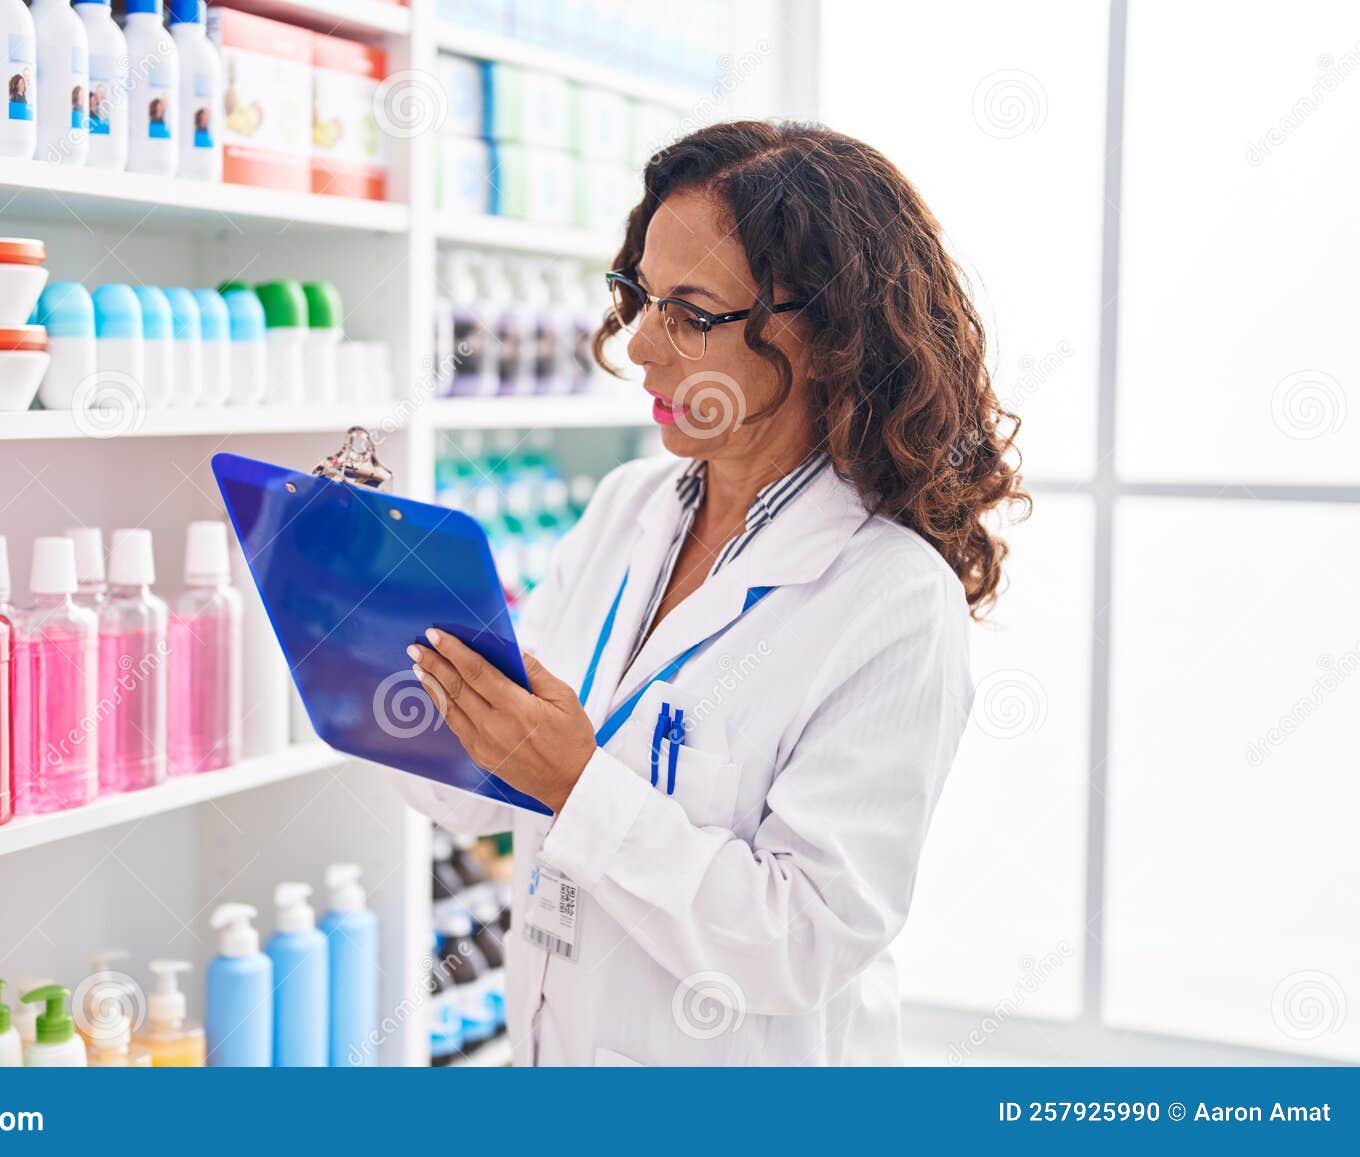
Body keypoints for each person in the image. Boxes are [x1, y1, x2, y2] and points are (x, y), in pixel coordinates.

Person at [398, 120, 1028, 1066]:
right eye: (640, 297)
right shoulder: (626, 509)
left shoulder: (893, 600)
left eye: (691, 313)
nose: (641, 347)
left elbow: (805, 937)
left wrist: (580, 785)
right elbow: (487, 792)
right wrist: (368, 635)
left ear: (822, 337)